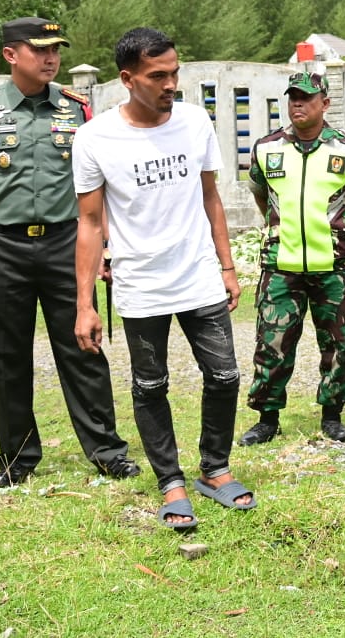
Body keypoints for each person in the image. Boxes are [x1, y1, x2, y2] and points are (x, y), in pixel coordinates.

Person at [0, 17, 139, 488]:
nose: (51, 58)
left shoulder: (78, 109)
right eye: (40, 49)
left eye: (56, 50)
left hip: (67, 244)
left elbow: (98, 187)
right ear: (11, 55)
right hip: (1, 246)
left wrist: (106, 248)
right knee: (7, 356)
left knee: (83, 347)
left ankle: (107, 451)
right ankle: (17, 458)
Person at [72, 28, 253, 531]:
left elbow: (210, 197)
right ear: (128, 79)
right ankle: (171, 481)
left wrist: (227, 265)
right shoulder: (94, 138)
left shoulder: (195, 122)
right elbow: (88, 225)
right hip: (141, 282)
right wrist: (84, 304)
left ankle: (215, 469)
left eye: (175, 72)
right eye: (158, 76)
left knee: (225, 376)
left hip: (197, 274)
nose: (171, 84)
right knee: (151, 385)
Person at [240, 69, 345, 445]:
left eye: (306, 98)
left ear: (325, 103)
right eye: (292, 97)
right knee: (272, 342)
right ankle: (267, 419)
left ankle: (332, 416)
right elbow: (260, 194)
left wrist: (341, 234)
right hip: (281, 266)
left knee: (337, 343)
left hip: (333, 267)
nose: (297, 104)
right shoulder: (266, 148)